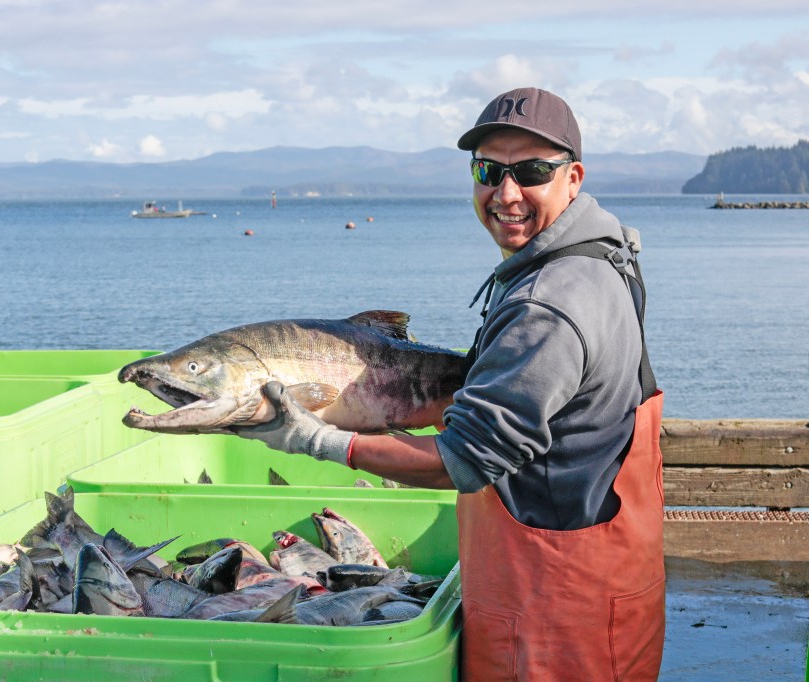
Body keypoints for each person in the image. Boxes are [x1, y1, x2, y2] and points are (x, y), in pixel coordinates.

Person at [234, 87, 665, 680]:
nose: (506, 193)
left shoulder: (547, 303)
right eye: (489, 171)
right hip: (609, 589)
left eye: (532, 171)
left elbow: (460, 462)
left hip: (554, 617)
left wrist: (315, 440)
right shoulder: (604, 256)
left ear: (573, 177)